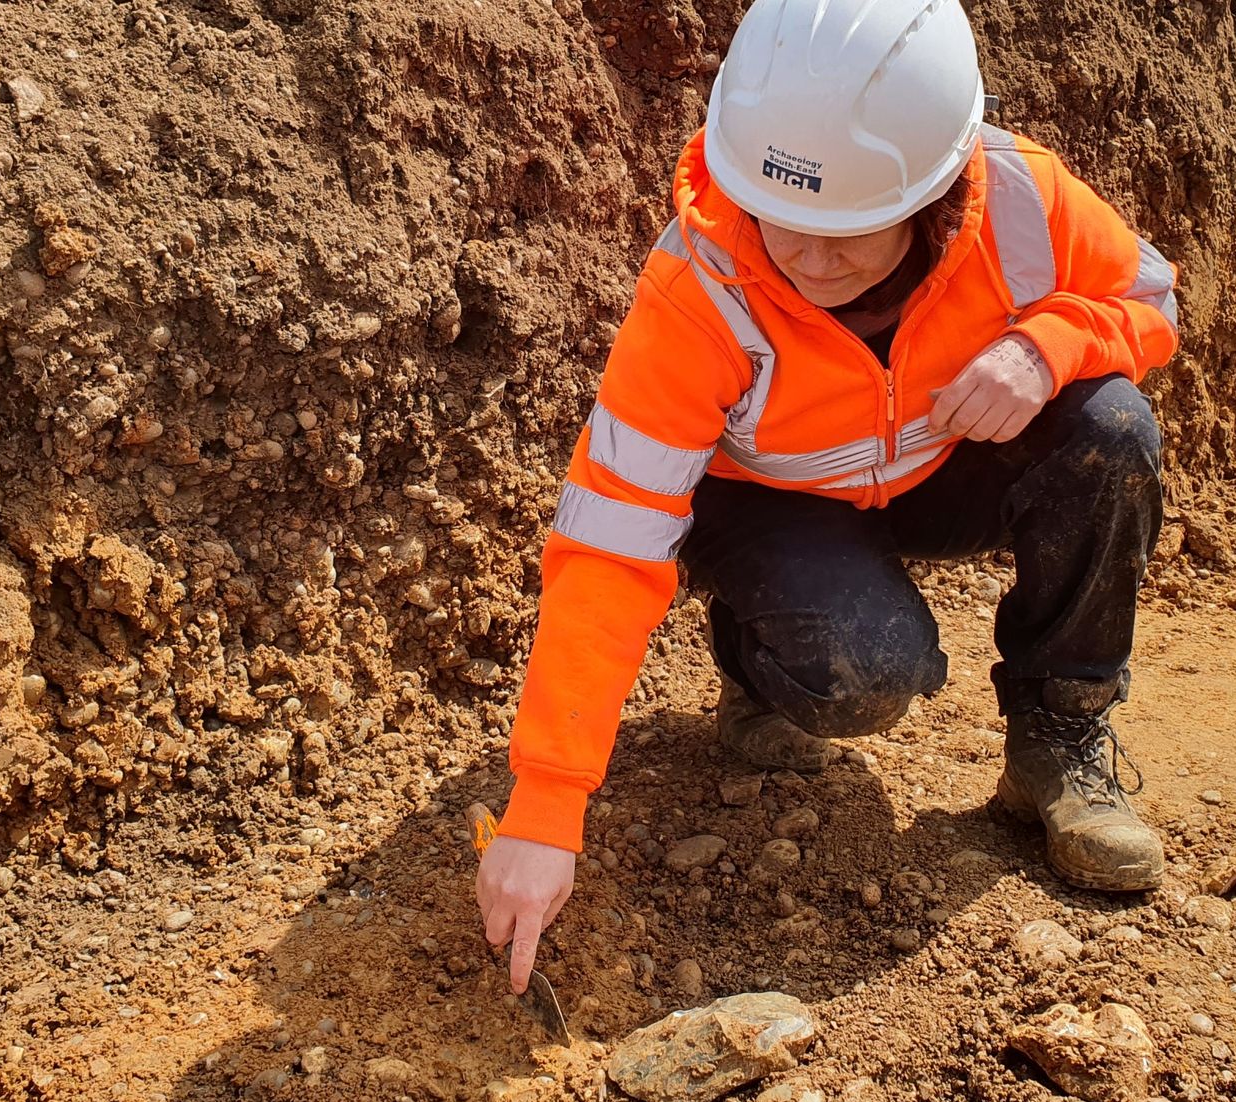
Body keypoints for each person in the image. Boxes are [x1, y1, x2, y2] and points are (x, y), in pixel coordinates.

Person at [476, 0, 1180, 992]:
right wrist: (545, 804)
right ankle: (759, 661)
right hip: (768, 505)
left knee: (1108, 430)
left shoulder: (1020, 197)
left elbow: (1148, 302)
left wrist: (1044, 347)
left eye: (844, 235)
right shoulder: (699, 282)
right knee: (865, 674)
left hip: (939, 464)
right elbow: (609, 539)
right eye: (781, 225)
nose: (803, 263)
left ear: (935, 189)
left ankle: (1057, 740)